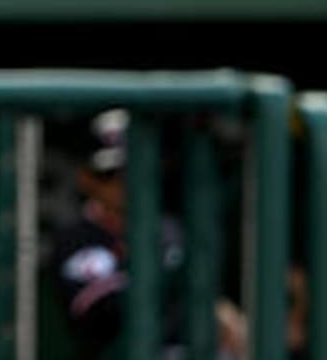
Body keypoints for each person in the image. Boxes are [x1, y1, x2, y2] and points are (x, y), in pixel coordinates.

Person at [51, 111, 247, 359]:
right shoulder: (75, 239)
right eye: (110, 174)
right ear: (86, 178)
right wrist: (192, 298)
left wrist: (217, 311)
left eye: (132, 170)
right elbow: (110, 315)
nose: (123, 183)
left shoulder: (170, 229)